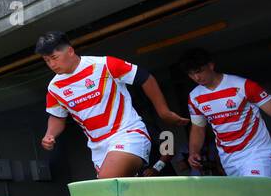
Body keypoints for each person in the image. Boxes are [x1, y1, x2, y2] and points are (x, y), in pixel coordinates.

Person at [35, 30, 188, 180]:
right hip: (98, 148)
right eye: (47, 61)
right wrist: (50, 134)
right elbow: (57, 116)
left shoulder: (105, 64)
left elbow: (144, 77)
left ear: (70, 51)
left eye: (54, 58)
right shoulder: (54, 87)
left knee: (106, 182)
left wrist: (163, 112)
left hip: (127, 134)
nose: (52, 64)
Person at [181, 48, 271, 177]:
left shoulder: (243, 85)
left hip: (258, 154)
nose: (196, 77)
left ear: (211, 65)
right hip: (229, 161)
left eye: (199, 71)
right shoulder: (194, 97)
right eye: (191, 74)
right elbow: (198, 128)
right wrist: (194, 151)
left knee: (256, 192)